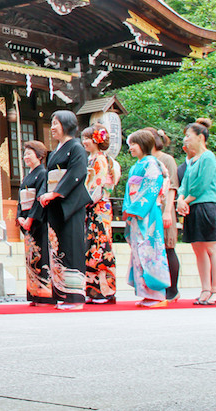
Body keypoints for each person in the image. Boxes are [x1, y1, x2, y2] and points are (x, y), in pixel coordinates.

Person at [177, 118, 216, 302]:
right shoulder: (192, 160)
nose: (186, 139)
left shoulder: (208, 157)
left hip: (206, 206)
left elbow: (201, 185)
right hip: (192, 207)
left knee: (212, 246)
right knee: (198, 249)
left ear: (200, 137)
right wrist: (180, 199)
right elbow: (185, 185)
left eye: (189, 136)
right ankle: (205, 289)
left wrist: (184, 200)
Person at [38, 110, 89, 310]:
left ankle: (75, 297)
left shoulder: (76, 147)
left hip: (70, 204)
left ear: (67, 124)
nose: (52, 128)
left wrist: (56, 193)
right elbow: (47, 175)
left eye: (56, 123)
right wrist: (45, 194)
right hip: (55, 204)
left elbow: (78, 173)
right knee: (57, 248)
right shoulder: (57, 150)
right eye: (52, 123)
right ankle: (61, 292)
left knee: (71, 246)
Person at [122, 130, 170, 308]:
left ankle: (157, 294)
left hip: (148, 213)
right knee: (138, 250)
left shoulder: (152, 163)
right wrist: (128, 208)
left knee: (150, 249)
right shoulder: (137, 165)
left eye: (134, 144)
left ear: (143, 144)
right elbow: (130, 190)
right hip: (137, 213)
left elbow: (152, 187)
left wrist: (135, 208)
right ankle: (146, 293)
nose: (131, 148)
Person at [80, 124, 116, 304]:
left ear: (96, 140)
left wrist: (83, 201)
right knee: (91, 246)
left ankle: (106, 291)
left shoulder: (100, 160)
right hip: (91, 207)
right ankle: (93, 290)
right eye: (84, 138)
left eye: (88, 138)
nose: (84, 142)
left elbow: (97, 187)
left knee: (101, 246)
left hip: (99, 207)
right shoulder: (91, 159)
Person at [145, 127, 181, 301]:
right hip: (149, 209)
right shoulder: (145, 160)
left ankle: (173, 289)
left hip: (164, 207)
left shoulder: (167, 159)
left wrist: (168, 212)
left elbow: (172, 186)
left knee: (168, 247)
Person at [17, 140, 54, 305]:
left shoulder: (43, 174)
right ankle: (34, 293)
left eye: (29, 153)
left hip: (38, 221)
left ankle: (45, 294)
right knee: (31, 258)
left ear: (39, 156)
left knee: (41, 255)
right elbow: (20, 201)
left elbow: (40, 198)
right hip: (26, 220)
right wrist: (20, 216)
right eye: (25, 154)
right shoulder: (27, 177)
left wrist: (30, 218)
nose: (26, 157)